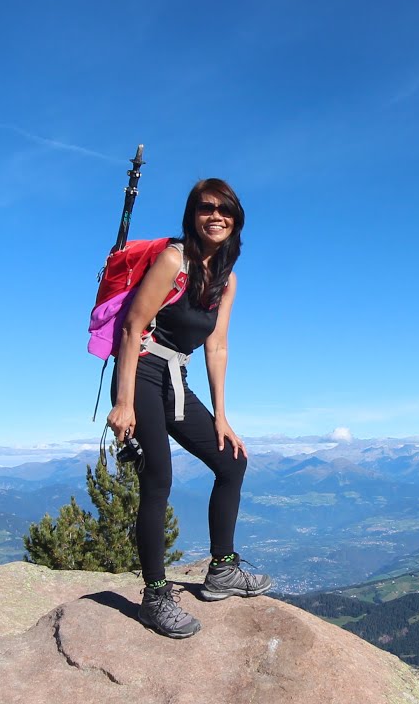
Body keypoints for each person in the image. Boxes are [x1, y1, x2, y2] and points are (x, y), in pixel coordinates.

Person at [105, 178, 272, 639]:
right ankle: (155, 597)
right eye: (206, 208)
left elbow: (216, 347)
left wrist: (221, 416)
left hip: (176, 377)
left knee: (231, 460)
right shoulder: (173, 260)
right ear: (192, 215)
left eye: (225, 210)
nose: (215, 216)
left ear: (236, 220)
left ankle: (221, 570)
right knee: (158, 476)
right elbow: (132, 327)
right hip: (142, 371)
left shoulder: (226, 279)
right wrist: (123, 402)